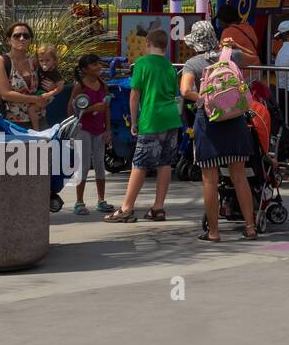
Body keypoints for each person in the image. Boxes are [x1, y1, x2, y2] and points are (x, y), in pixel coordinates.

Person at [178, 21, 260, 242]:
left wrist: (206, 100)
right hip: (235, 121)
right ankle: (250, 227)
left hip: (208, 123)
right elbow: (254, 58)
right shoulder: (230, 55)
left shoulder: (192, 63)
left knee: (210, 179)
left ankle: (213, 232)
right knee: (239, 176)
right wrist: (236, 47)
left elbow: (185, 90)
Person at [106, 28, 181, 224]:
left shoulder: (141, 63)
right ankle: (158, 207)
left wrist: (134, 120)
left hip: (151, 118)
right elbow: (174, 93)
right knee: (165, 163)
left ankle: (126, 208)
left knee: (139, 163)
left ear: (147, 42)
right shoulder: (170, 67)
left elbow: (134, 94)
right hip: (171, 118)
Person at [69, 53, 113, 215]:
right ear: (85, 70)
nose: (99, 67)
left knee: (100, 165)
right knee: (84, 165)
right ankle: (79, 202)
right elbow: (72, 109)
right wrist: (91, 109)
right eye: (94, 65)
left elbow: (107, 108)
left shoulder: (103, 85)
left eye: (98, 64)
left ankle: (101, 200)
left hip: (99, 130)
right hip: (84, 129)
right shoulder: (79, 86)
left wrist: (108, 130)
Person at [0, 22, 53, 129]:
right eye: (17, 35)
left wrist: (51, 87)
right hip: (13, 124)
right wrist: (35, 99)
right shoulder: (1, 61)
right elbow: (5, 94)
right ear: (9, 40)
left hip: (39, 120)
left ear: (30, 40)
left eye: (26, 36)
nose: (22, 38)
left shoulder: (35, 62)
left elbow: (47, 84)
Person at [216, 3, 261, 68]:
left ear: (223, 19)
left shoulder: (228, 31)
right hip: (256, 66)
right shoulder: (249, 27)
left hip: (243, 71)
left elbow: (222, 52)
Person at [32, 44, 64, 130]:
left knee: (31, 109)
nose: (44, 63)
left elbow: (60, 86)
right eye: (41, 60)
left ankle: (36, 130)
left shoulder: (54, 72)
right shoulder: (40, 68)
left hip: (46, 95)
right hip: (40, 93)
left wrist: (49, 94)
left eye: (47, 60)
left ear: (54, 60)